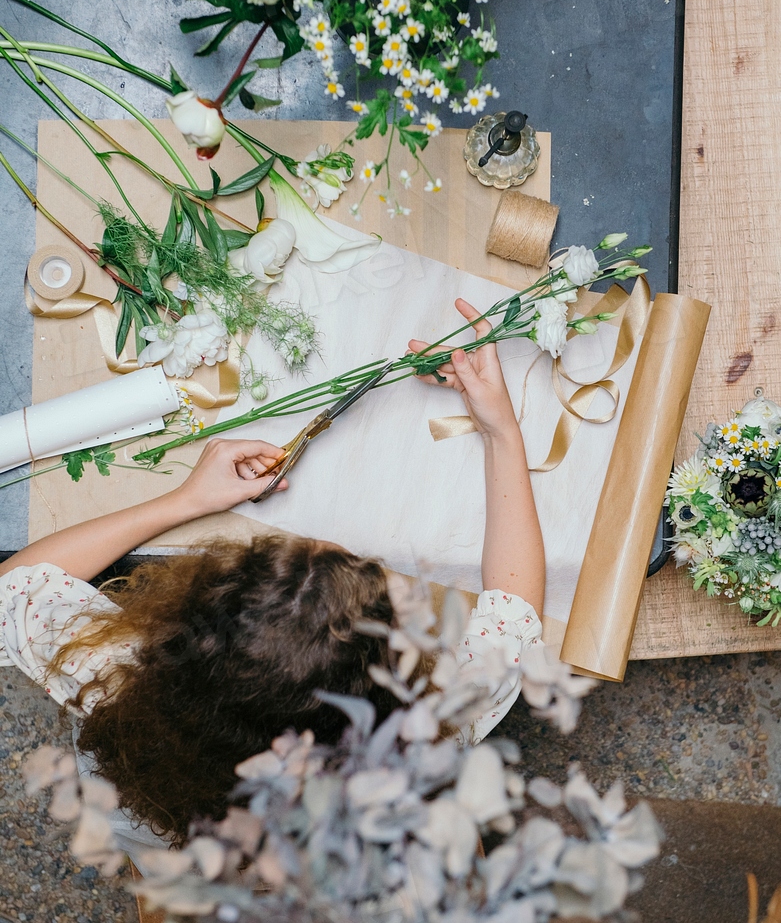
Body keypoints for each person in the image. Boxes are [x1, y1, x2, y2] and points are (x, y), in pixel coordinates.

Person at [0, 300, 545, 862]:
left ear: (182, 615)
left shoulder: (108, 669)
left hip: (164, 835)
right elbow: (516, 603)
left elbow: (14, 583)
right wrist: (500, 431)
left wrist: (185, 500)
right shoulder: (428, 732)